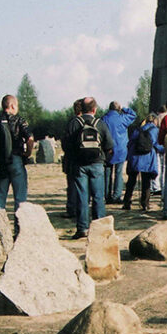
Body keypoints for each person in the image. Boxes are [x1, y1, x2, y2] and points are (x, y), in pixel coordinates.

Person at [64, 97, 114, 239]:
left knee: (82, 196)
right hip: (97, 164)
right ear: (94, 109)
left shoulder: (74, 123)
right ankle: (100, 228)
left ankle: (82, 228)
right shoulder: (101, 124)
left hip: (79, 165)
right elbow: (109, 145)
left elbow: (66, 145)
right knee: (98, 196)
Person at [0, 94, 34, 213]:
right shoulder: (20, 121)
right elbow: (30, 138)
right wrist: (27, 153)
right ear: (12, 106)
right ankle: (19, 228)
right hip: (16, 158)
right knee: (20, 199)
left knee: (0, 198)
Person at [123, 113, 164, 211]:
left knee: (131, 182)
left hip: (135, 157)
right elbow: (158, 145)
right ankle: (145, 204)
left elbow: (130, 143)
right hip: (148, 158)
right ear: (155, 121)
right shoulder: (155, 131)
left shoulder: (137, 129)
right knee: (146, 182)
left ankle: (127, 202)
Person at [101, 102, 137, 204]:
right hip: (121, 149)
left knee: (107, 174)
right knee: (118, 173)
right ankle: (117, 196)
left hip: (108, 149)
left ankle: (107, 196)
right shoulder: (123, 118)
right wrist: (124, 108)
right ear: (118, 109)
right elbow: (133, 114)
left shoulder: (104, 119)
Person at [60, 98, 83, 218]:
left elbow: (66, 143)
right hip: (85, 159)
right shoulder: (89, 122)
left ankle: (72, 209)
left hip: (72, 159)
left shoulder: (73, 123)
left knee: (72, 185)